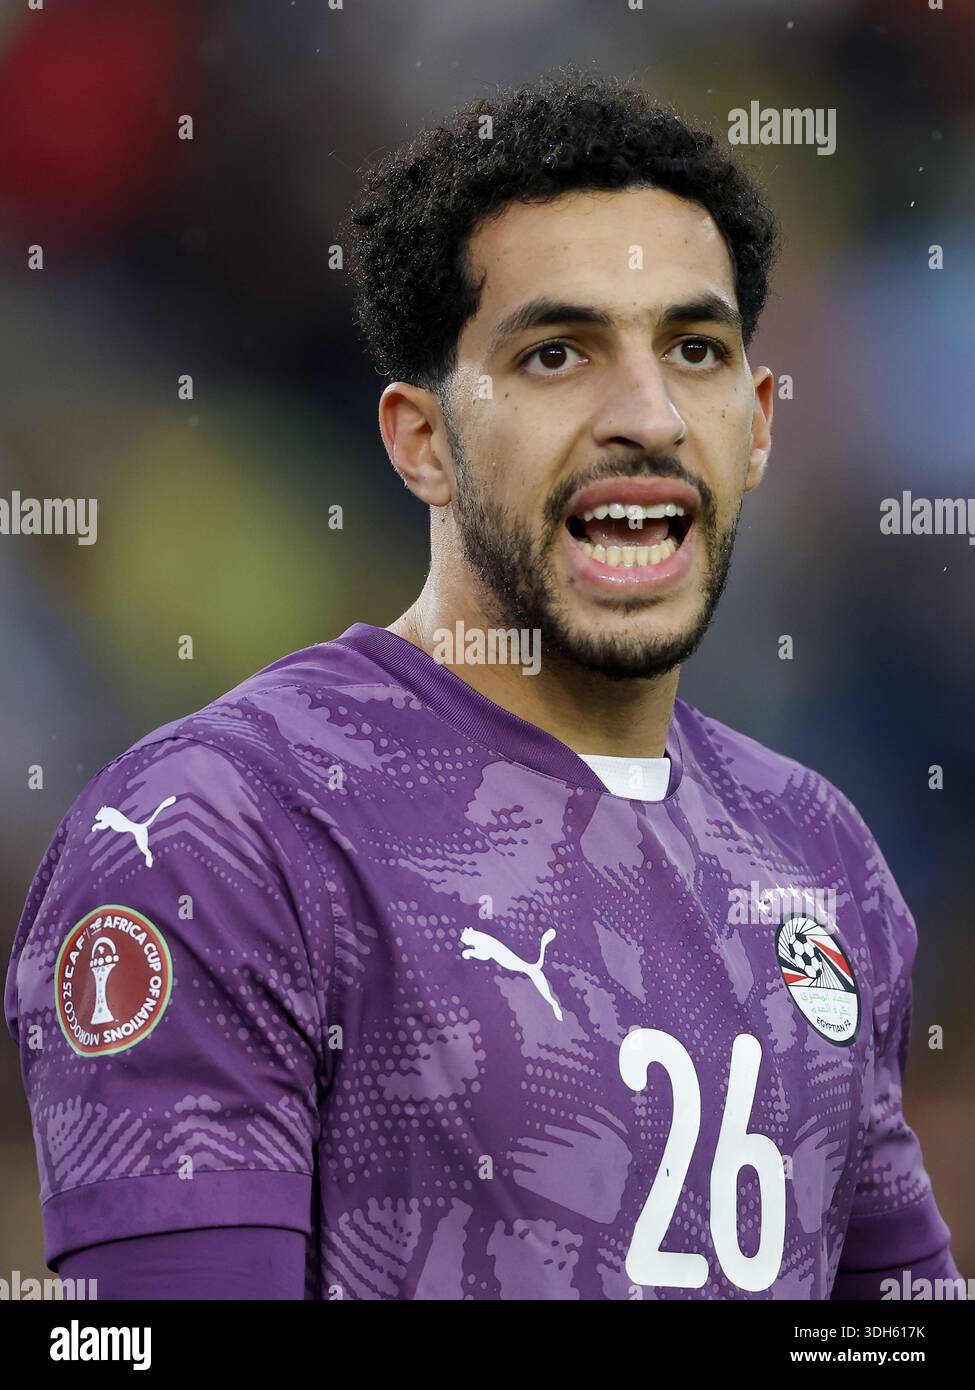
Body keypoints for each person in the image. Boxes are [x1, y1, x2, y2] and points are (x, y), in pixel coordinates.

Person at [5, 70, 961, 1300]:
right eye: (559, 352)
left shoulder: (820, 851)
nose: (650, 416)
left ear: (762, 422)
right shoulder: (214, 837)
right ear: (421, 441)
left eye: (697, 349)